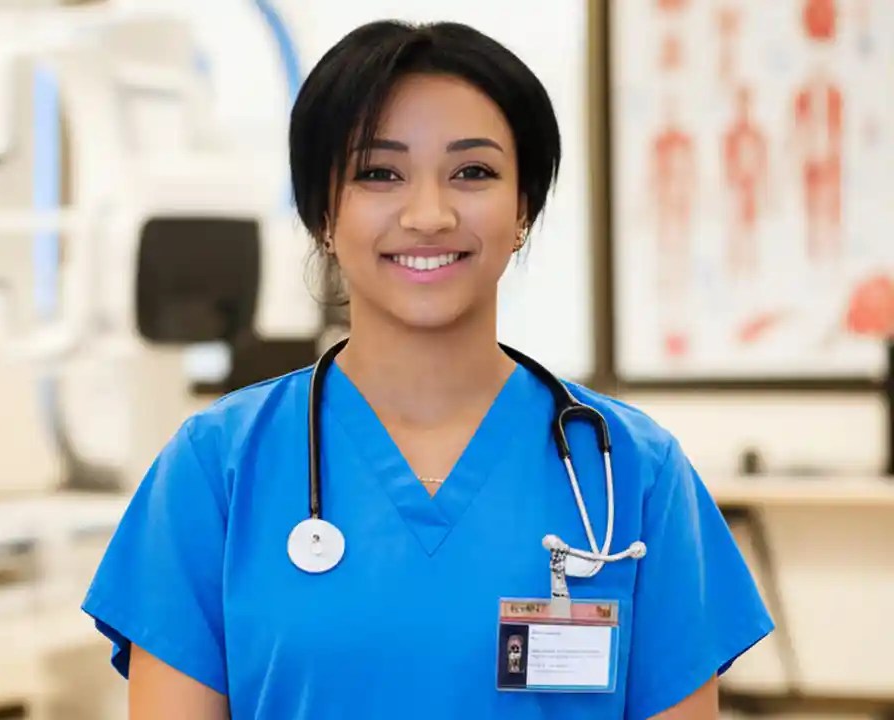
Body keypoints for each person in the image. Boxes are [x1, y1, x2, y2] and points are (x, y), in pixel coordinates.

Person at [82, 19, 773, 719]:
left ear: (524, 207)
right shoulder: (216, 470)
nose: (429, 214)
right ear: (323, 211)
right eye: (379, 173)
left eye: (472, 172)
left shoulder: (632, 469)